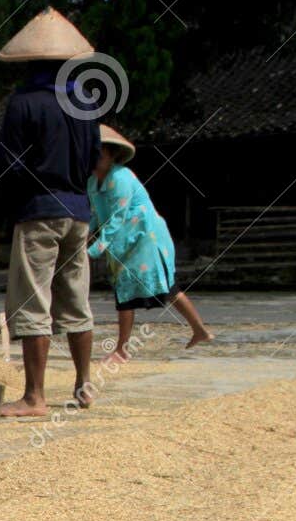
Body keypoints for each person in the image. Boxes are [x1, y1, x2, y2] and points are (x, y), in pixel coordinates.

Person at [0, 8, 99, 418]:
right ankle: (83, 385)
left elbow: (9, 165)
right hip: (78, 213)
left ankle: (34, 397)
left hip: (41, 212)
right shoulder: (86, 102)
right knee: (76, 300)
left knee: (32, 303)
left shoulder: (24, 103)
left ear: (29, 62)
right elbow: (94, 157)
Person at [88, 126, 213, 361]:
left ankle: (122, 349)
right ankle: (199, 330)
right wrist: (83, 237)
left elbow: (117, 217)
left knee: (162, 287)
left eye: (99, 154)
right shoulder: (92, 182)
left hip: (144, 236)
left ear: (112, 155)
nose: (94, 159)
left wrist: (93, 250)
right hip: (123, 240)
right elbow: (95, 215)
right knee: (126, 290)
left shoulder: (120, 177)